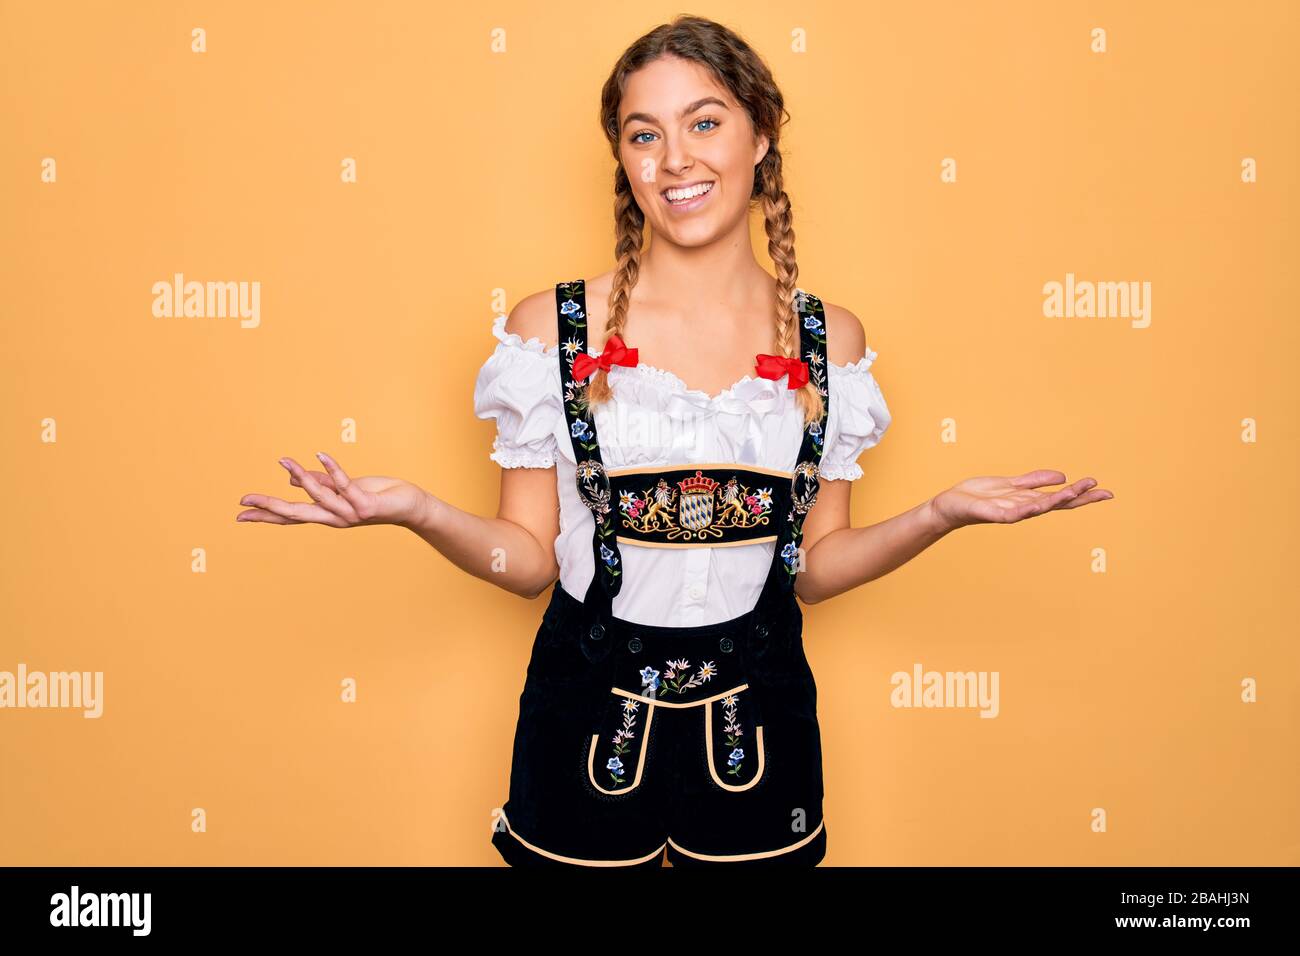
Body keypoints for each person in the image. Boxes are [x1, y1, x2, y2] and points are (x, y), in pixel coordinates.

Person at [235, 15, 1113, 867]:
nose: (675, 160)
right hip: (580, 711)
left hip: (762, 719)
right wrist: (416, 511)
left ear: (761, 135)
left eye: (705, 121)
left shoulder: (828, 341)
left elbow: (815, 569)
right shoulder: (551, 330)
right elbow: (529, 562)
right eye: (643, 134)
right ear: (622, 158)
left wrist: (941, 514)